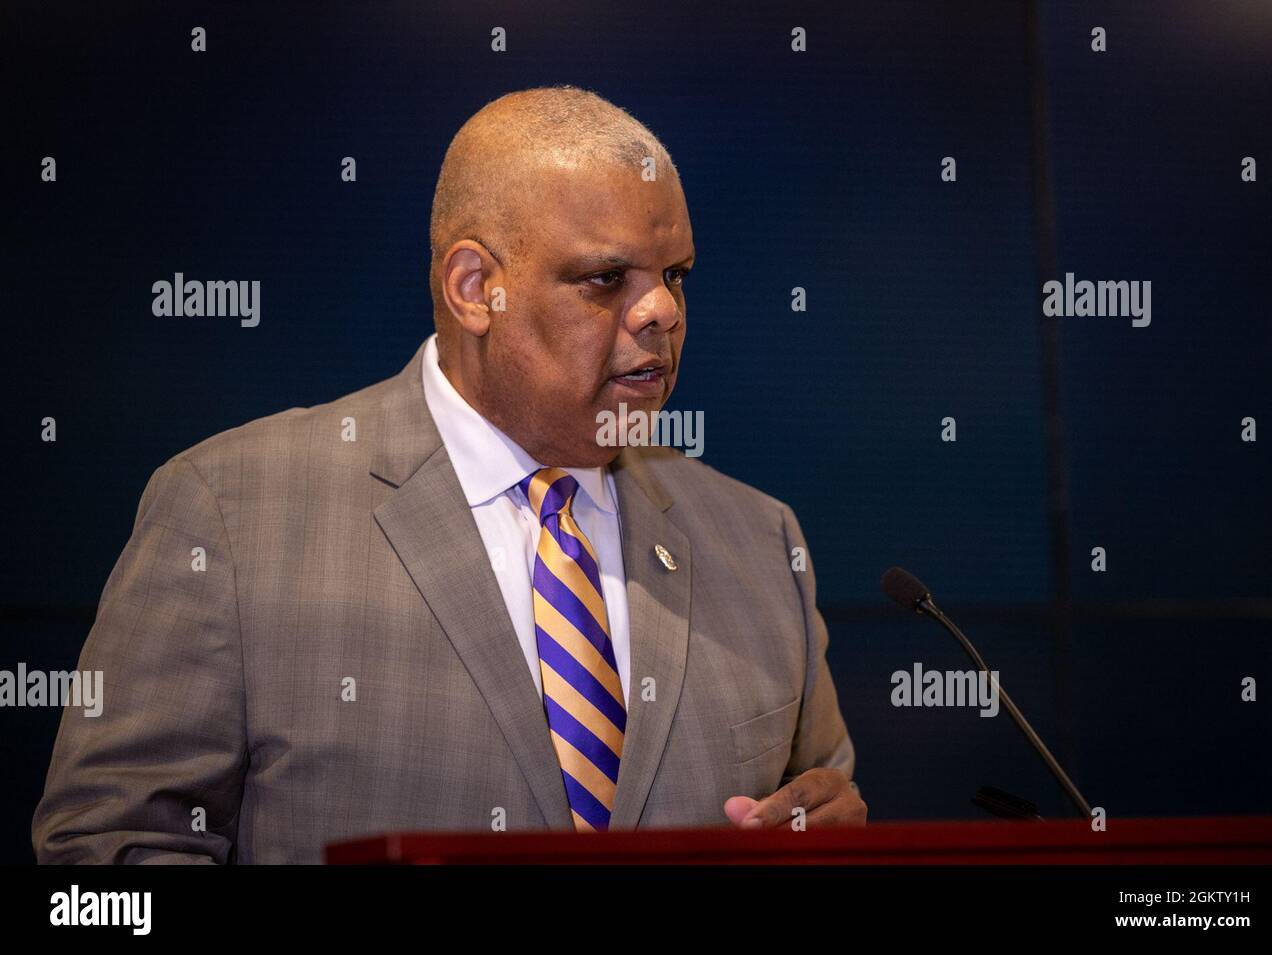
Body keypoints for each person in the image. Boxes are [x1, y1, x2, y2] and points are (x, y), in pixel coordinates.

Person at [33, 86, 864, 864]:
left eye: (674, 275)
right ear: (475, 289)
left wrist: (831, 836)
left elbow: (826, 809)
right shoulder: (230, 515)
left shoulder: (760, 542)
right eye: (606, 279)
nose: (662, 313)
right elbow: (102, 858)